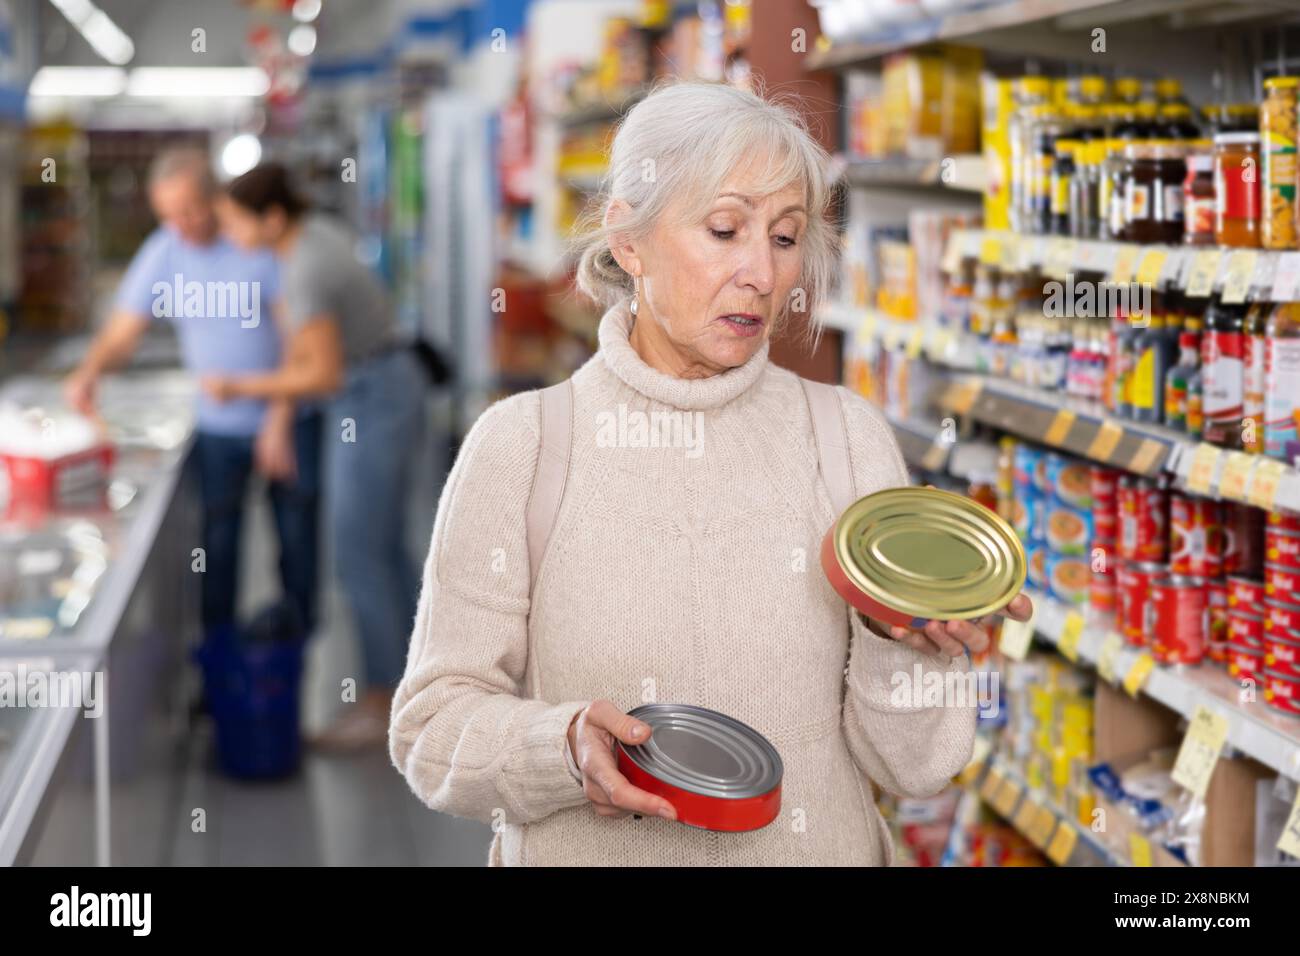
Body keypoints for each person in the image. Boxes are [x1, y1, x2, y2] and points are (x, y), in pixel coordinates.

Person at [388, 80, 1033, 866]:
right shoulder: (522, 446)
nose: (761, 272)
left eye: (787, 238)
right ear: (629, 241)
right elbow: (431, 729)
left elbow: (919, 770)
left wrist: (901, 636)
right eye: (725, 229)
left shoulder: (845, 437)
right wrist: (557, 746)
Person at [206, 164, 427, 752]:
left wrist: (238, 388)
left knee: (358, 554)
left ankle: (383, 703)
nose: (226, 233)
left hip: (371, 396)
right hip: (383, 385)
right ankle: (419, 690)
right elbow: (303, 347)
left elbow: (322, 371)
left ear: (271, 218)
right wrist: (278, 415)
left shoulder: (304, 267)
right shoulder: (310, 238)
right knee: (384, 549)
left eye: (234, 221)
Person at [65, 146, 321, 640]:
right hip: (218, 431)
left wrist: (279, 417)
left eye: (188, 211)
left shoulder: (259, 242)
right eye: (168, 215)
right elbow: (122, 332)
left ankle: (290, 665)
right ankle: (220, 670)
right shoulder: (166, 249)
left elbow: (300, 341)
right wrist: (90, 370)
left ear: (215, 198)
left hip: (288, 422)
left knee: (298, 546)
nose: (179, 225)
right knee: (217, 551)